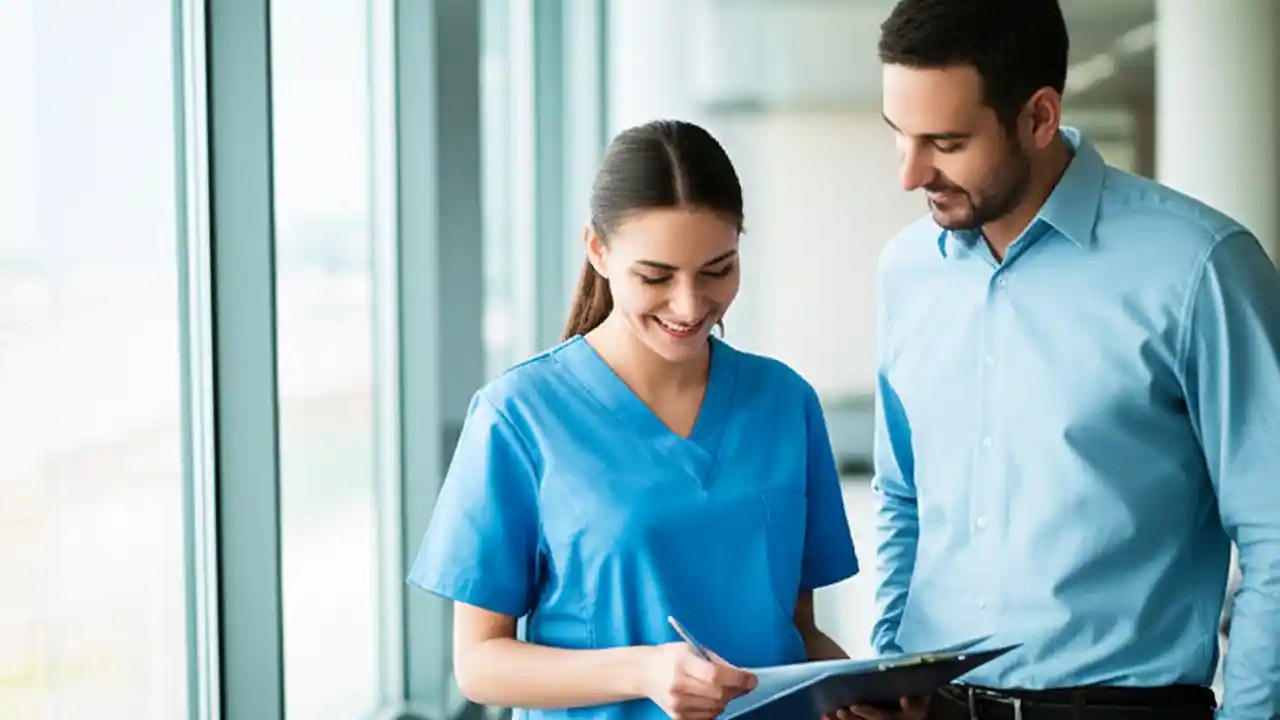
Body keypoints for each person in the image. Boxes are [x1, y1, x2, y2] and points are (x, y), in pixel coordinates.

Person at [858, 1, 1280, 719]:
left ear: (1040, 116)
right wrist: (889, 666)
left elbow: (1274, 531)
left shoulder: (1199, 267)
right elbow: (903, 498)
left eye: (946, 142)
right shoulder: (907, 271)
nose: (910, 174)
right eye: (899, 136)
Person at [408, 119, 862, 720]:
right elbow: (481, 665)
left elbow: (798, 633)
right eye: (656, 276)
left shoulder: (785, 401)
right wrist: (644, 670)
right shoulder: (518, 415)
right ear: (598, 250)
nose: (690, 304)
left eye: (717, 270)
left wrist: (861, 691)